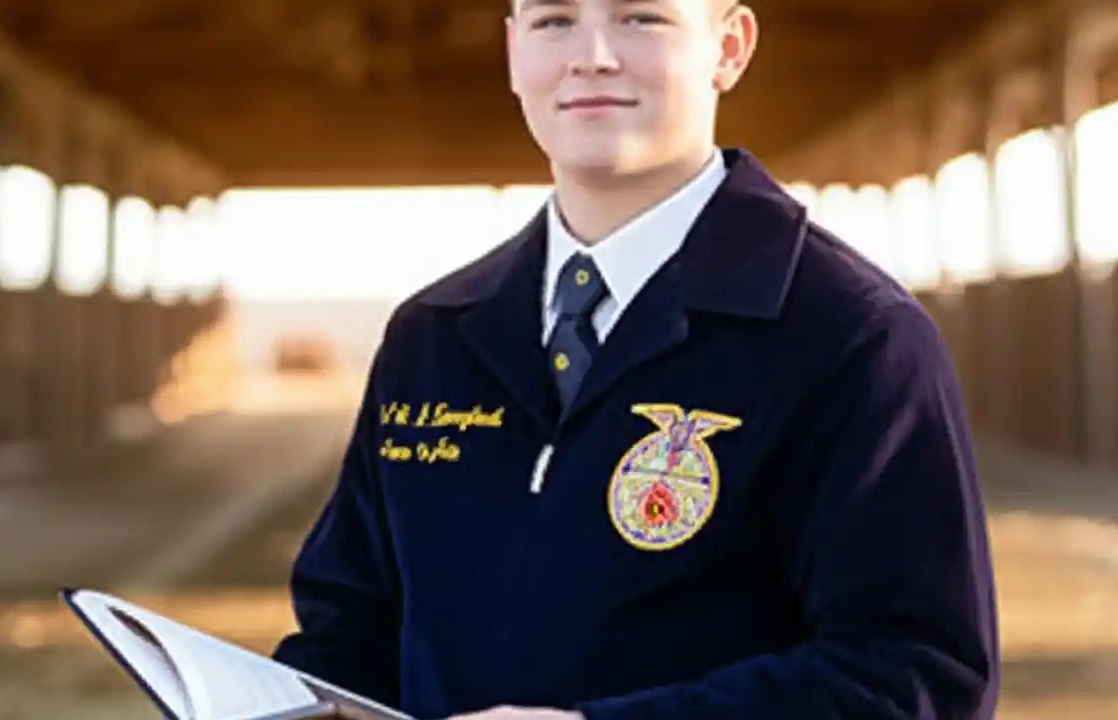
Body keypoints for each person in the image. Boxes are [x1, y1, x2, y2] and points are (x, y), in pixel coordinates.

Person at [273, 0, 1000, 718]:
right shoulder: (432, 337)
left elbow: (920, 675)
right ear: (513, 52)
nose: (592, 54)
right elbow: (348, 637)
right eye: (554, 21)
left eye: (640, 17)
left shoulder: (851, 335)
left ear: (730, 48)